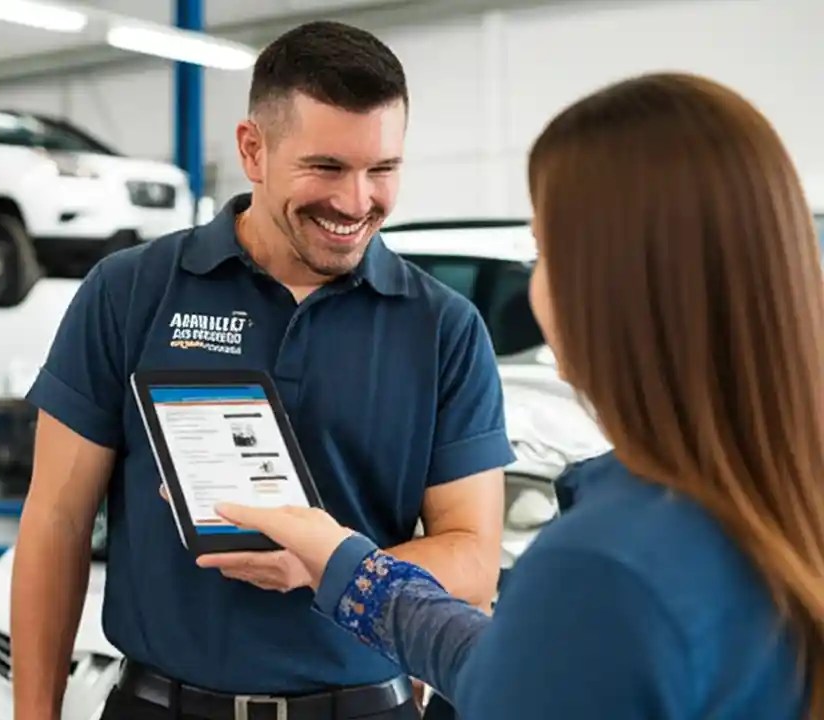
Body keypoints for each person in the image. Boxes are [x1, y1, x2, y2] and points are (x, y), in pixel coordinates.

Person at [214, 71, 824, 719]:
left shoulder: (603, 570)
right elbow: (540, 666)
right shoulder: (773, 514)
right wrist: (345, 565)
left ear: (601, 290)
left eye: (541, 253)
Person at [11, 20, 514, 720]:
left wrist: (331, 569)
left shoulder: (442, 328)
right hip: (161, 705)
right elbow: (56, 520)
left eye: (383, 170)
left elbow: (472, 558)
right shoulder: (131, 292)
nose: (356, 201)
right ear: (254, 150)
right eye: (326, 168)